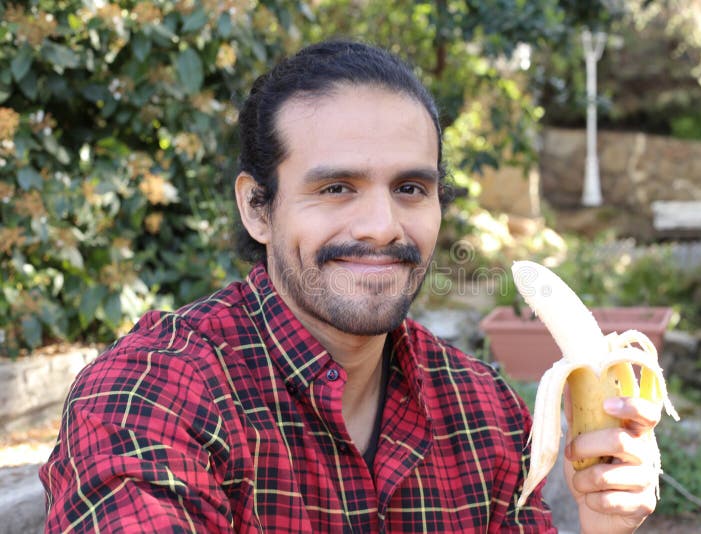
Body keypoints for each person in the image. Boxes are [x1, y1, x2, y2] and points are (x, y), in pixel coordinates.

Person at [41, 40, 661, 533]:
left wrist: (604, 526)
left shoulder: (487, 414)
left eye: (410, 189)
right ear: (258, 208)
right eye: (336, 187)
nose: (381, 227)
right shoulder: (153, 396)